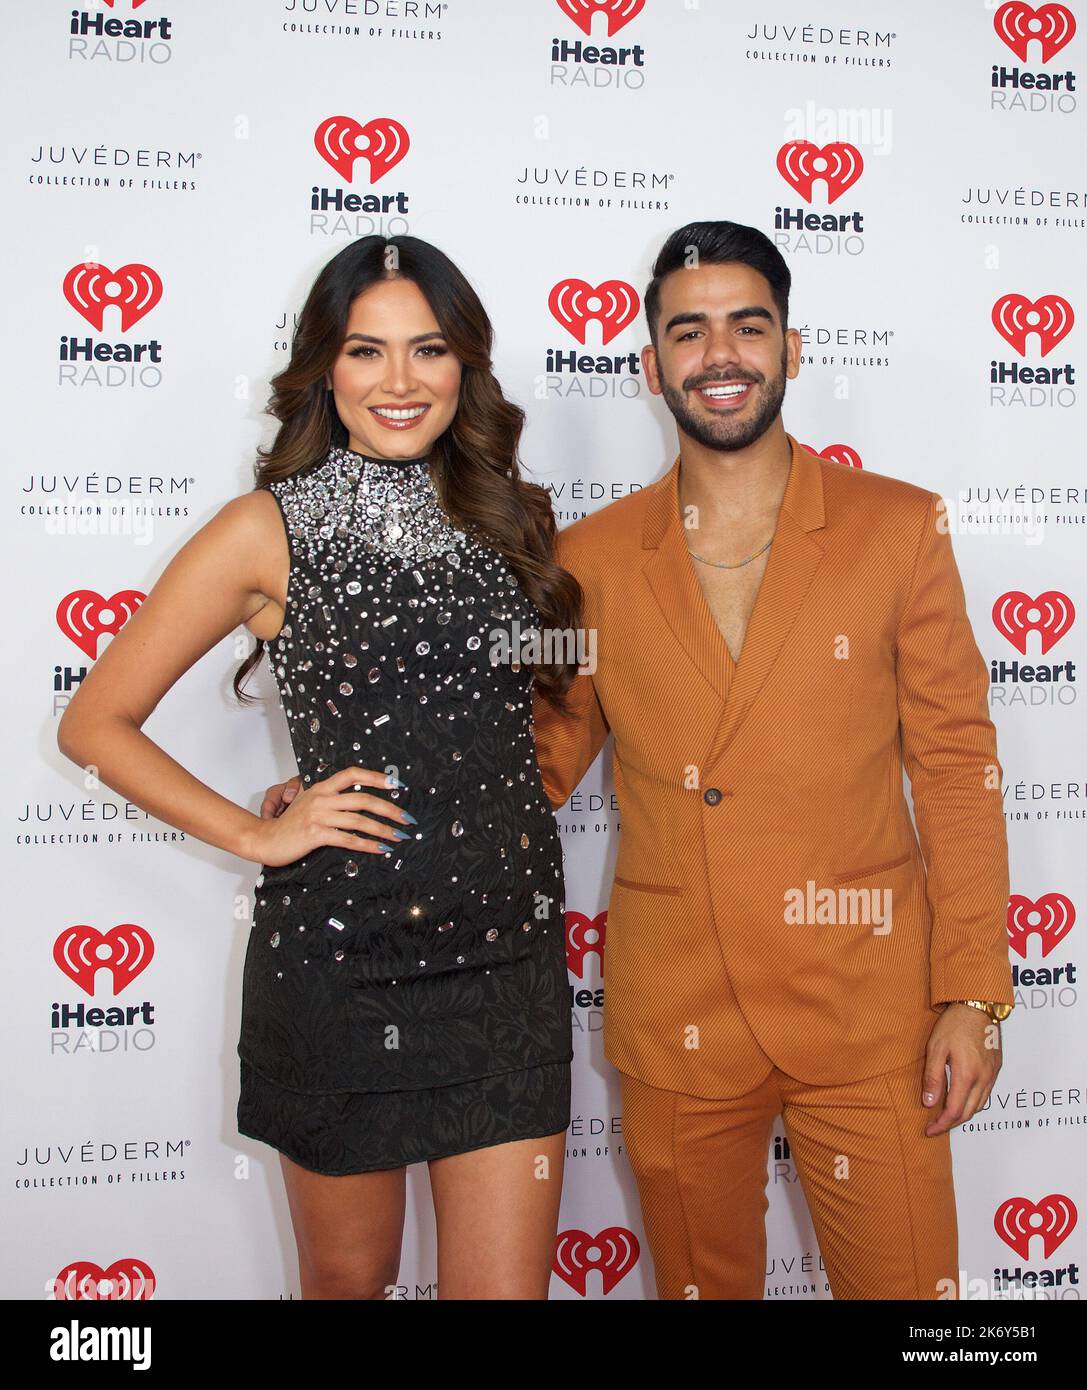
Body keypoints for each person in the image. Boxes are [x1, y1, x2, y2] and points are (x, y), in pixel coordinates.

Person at [265, 219, 1014, 1300]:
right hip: (678, 1022)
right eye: (689, 331)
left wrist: (974, 993)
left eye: (748, 327)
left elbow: (956, 769)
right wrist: (360, 790)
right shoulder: (591, 558)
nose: (721, 354)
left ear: (791, 349)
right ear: (649, 363)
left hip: (870, 1016)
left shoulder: (899, 529)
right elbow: (531, 762)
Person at [56, 234, 584, 1300]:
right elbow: (96, 722)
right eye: (365, 351)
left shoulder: (514, 517)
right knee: (349, 1280)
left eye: (428, 350)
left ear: (464, 367)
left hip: (506, 961)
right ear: (325, 370)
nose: (399, 381)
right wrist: (259, 832)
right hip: (343, 961)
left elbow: (534, 692)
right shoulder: (265, 531)